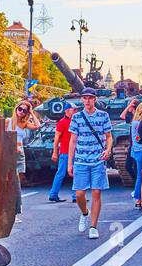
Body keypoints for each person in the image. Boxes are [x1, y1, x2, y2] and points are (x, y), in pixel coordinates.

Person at [68, 87, 112, 240]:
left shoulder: (103, 116)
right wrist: (70, 163)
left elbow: (109, 136)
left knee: (96, 192)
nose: (87, 100)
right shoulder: (77, 117)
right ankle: (84, 213)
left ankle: (93, 226)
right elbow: (72, 140)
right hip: (81, 160)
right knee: (79, 193)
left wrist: (108, 149)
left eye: (90, 98)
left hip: (97, 160)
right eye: (85, 98)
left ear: (95, 99)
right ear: (82, 100)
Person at [10, 100, 42, 187]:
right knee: (10, 174)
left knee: (19, 176)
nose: (21, 112)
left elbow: (38, 126)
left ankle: (16, 198)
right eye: (20, 109)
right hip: (10, 150)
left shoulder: (24, 123)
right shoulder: (8, 121)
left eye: (24, 111)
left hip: (20, 151)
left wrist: (31, 112)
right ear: (16, 109)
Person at [47, 106, 74, 202]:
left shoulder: (75, 121)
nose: (75, 111)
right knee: (61, 174)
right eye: (73, 109)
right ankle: (53, 194)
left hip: (74, 151)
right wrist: (55, 152)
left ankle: (76, 196)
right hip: (65, 152)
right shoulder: (62, 122)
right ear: (67, 110)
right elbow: (56, 138)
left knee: (76, 173)